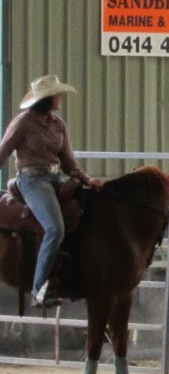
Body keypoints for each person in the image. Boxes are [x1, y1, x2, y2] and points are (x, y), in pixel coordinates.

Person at [0, 75, 103, 308]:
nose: (60, 98)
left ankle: (74, 277)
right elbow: (3, 152)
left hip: (55, 179)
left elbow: (69, 162)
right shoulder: (23, 123)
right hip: (32, 180)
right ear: (46, 98)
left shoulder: (58, 125)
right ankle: (39, 289)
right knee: (55, 228)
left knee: (84, 215)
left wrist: (87, 179)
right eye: (57, 94)